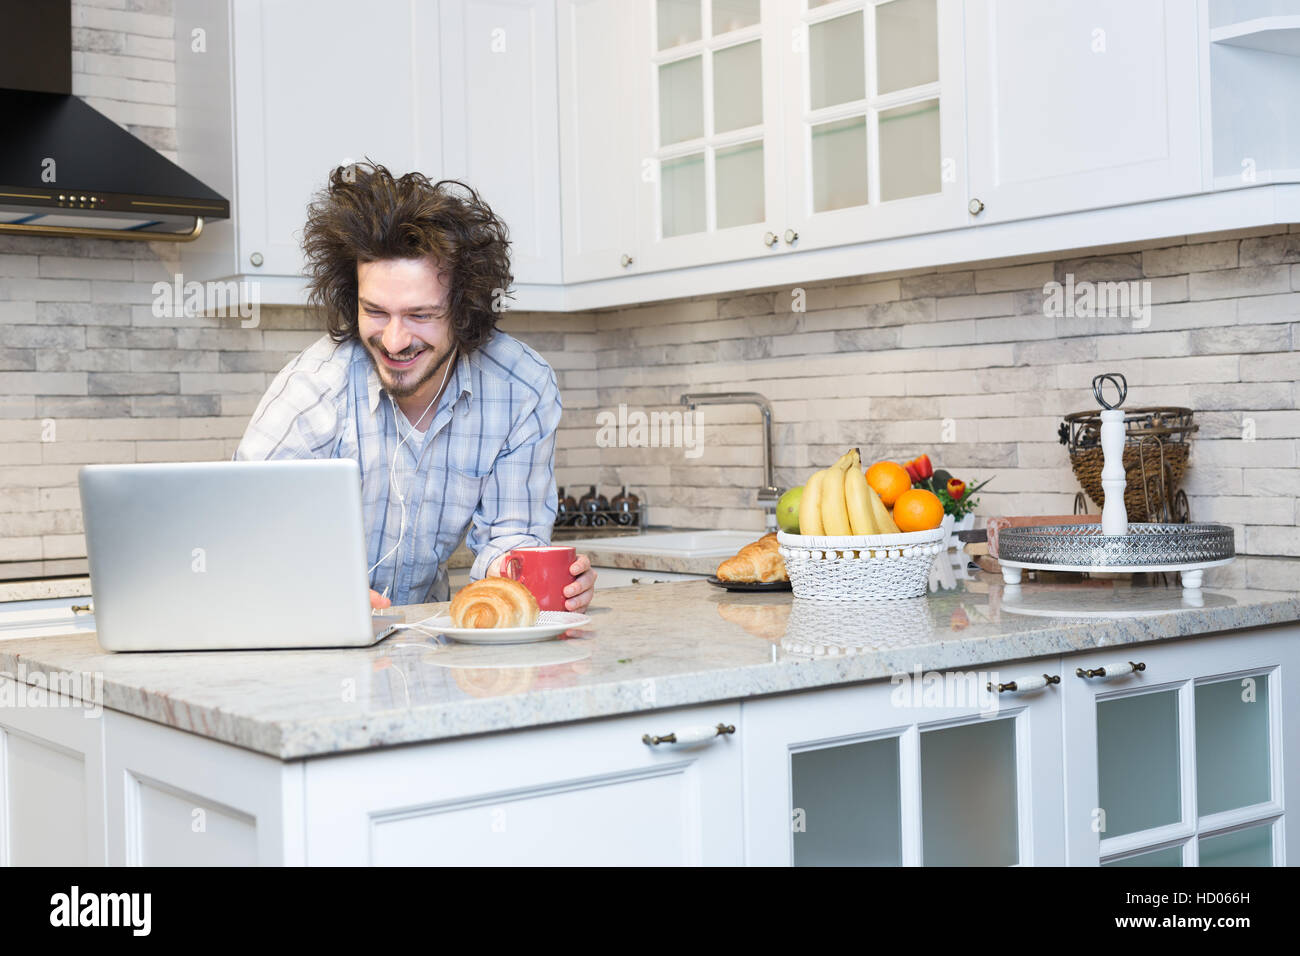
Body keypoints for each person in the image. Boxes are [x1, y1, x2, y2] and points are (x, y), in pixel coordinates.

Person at [234, 162, 596, 610]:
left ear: (464, 311)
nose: (394, 340)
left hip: (422, 645)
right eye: (376, 312)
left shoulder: (520, 389)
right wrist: (319, 594)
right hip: (308, 644)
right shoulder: (313, 390)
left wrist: (528, 571)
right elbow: (242, 534)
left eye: (420, 316)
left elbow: (512, 533)